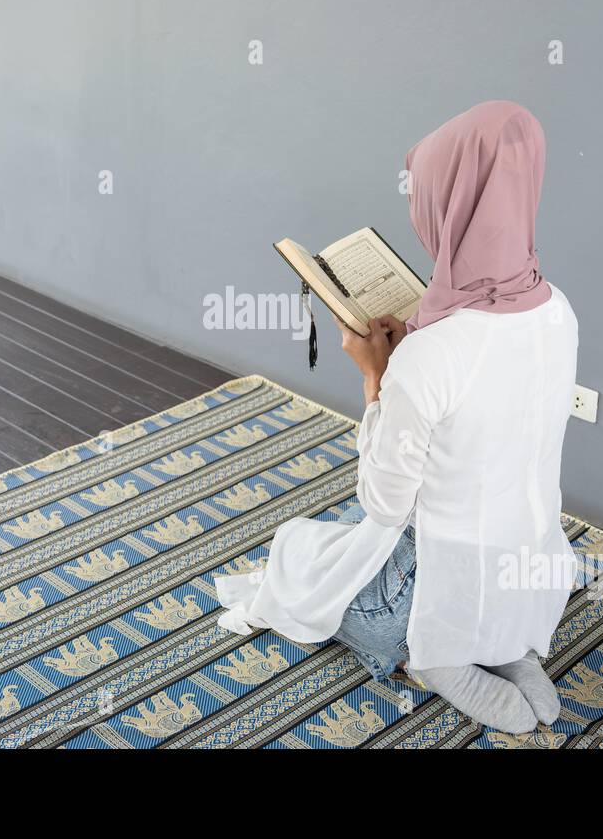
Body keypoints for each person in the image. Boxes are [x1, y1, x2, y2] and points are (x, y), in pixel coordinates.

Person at [217, 101, 579, 734]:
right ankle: (512, 650)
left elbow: (384, 504)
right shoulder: (556, 309)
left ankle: (437, 661)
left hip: (437, 588)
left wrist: (376, 378)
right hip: (531, 574)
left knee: (297, 555)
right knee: (343, 538)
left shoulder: (432, 353)